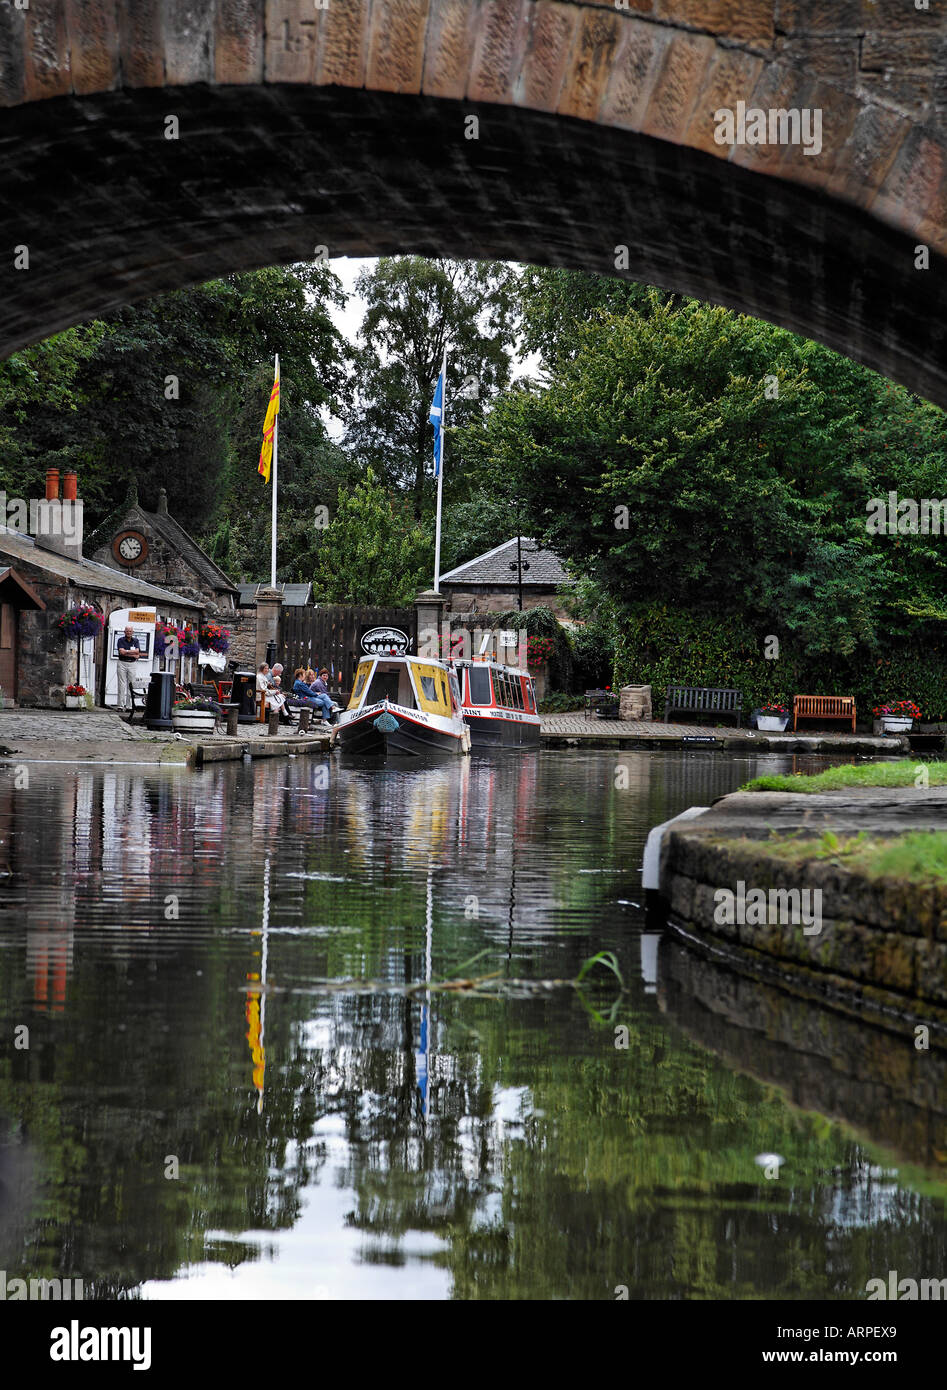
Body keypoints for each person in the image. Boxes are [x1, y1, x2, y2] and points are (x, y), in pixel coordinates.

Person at [116, 624, 148, 714]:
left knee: (131, 685)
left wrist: (126, 651)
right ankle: (120, 706)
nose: (128, 633)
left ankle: (129, 706)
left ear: (132, 632)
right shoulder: (121, 640)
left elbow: (137, 652)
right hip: (122, 663)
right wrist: (131, 653)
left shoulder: (136, 640)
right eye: (127, 631)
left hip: (132, 664)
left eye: (130, 631)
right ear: (124, 632)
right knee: (121, 684)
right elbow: (121, 652)